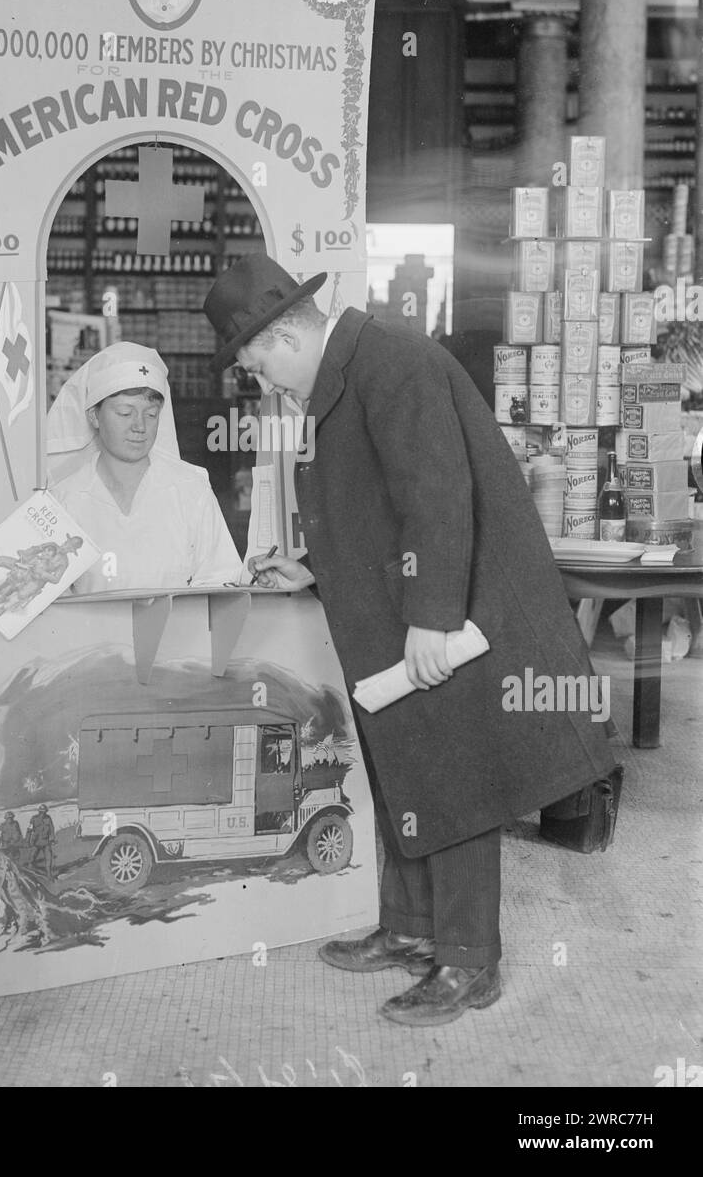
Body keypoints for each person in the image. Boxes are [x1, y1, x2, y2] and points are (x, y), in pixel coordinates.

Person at [203, 253, 619, 1027]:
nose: (263, 380)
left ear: (287, 329)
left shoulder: (390, 363)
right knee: (406, 771)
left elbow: (436, 497)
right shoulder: (349, 371)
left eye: (259, 361)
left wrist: (432, 614)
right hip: (407, 609)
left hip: (447, 614)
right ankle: (411, 927)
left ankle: (468, 962)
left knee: (454, 779)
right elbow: (377, 508)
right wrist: (313, 570)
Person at [47, 342, 242, 592]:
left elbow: (220, 582)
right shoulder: (64, 500)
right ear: (94, 416)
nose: (139, 426)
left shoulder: (191, 489)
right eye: (125, 413)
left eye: (151, 414)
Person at [25, 805, 56, 877]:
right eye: (41, 812)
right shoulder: (34, 819)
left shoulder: (48, 818)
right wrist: (27, 841)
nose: (43, 814)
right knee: (32, 858)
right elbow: (29, 830)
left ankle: (49, 874)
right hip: (36, 842)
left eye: (44, 812)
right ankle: (30, 872)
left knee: (49, 858)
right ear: (39, 812)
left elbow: (52, 829)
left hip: (46, 842)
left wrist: (52, 839)